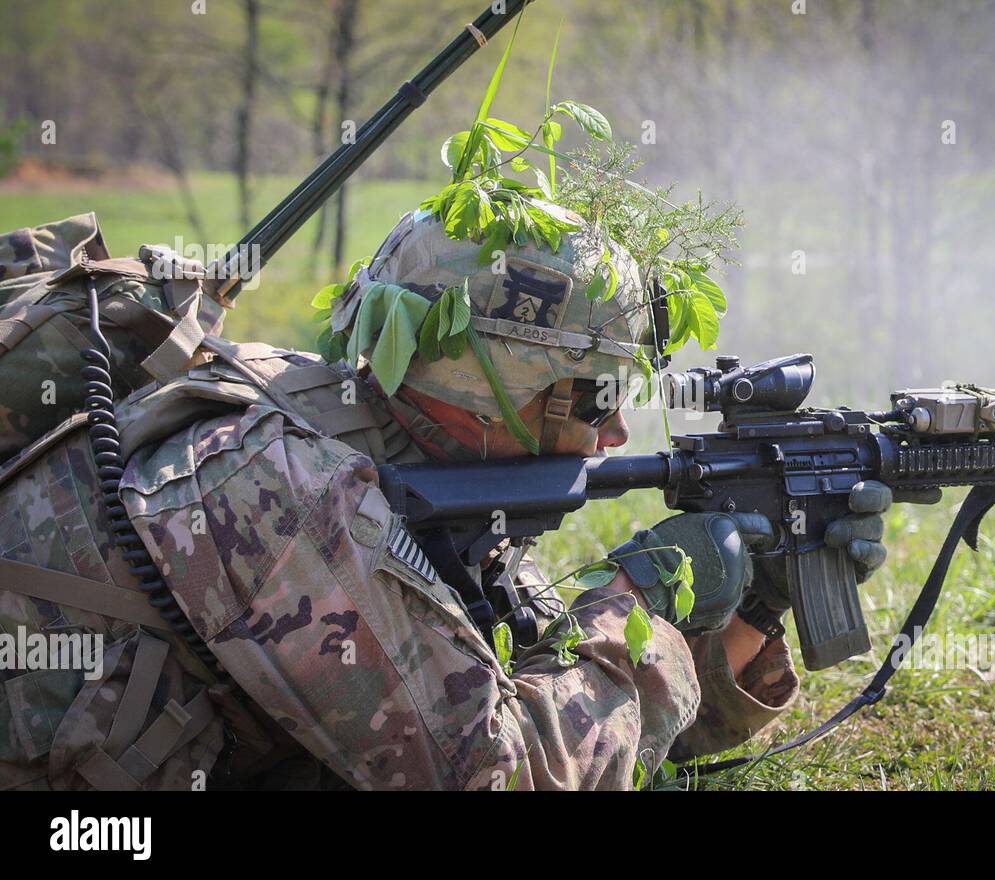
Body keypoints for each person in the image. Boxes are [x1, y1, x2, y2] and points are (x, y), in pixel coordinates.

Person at [0, 208, 902, 790]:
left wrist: (756, 600)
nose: (619, 432)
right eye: (598, 394)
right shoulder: (289, 499)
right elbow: (509, 773)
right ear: (497, 385)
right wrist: (642, 601)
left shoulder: (396, 452)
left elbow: (594, 714)